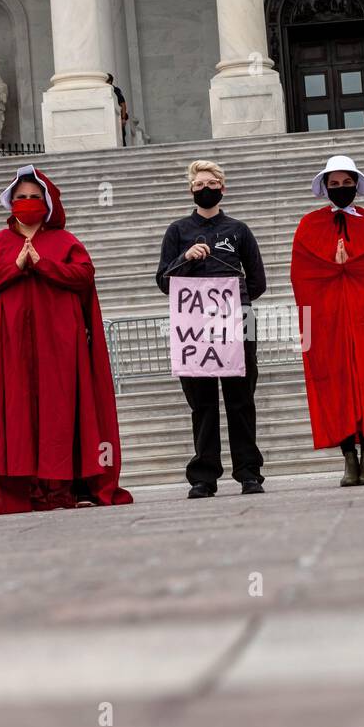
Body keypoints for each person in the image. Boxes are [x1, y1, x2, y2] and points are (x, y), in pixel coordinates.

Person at [0, 165, 132, 514]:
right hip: (11, 348)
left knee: (60, 411)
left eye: (33, 197)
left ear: (46, 202)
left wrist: (42, 264)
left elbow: (84, 276)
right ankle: (25, 490)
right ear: (10, 202)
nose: (26, 202)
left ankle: (62, 489)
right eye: (20, 197)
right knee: (17, 412)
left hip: (59, 346)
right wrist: (15, 266)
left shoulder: (65, 241)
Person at [290, 155, 364, 486]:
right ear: (325, 187)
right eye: (335, 184)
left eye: (347, 183)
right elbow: (302, 274)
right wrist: (334, 267)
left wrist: (350, 267)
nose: (341, 189)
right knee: (337, 384)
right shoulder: (310, 225)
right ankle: (348, 458)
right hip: (328, 321)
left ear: (357, 184)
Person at [155, 160, 267, 498]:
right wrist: (186, 258)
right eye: (200, 184)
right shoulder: (177, 232)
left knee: (241, 399)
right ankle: (204, 476)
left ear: (223, 187)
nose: (206, 189)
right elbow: (163, 281)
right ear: (191, 190)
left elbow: (257, 280)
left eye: (212, 183)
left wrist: (235, 302)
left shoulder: (239, 230)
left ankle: (249, 472)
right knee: (202, 404)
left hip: (235, 321)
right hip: (194, 327)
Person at [107, 74, 128, 146]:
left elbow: (123, 104)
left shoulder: (116, 90)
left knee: (122, 138)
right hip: (110, 118)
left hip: (119, 117)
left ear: (109, 81)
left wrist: (123, 118)